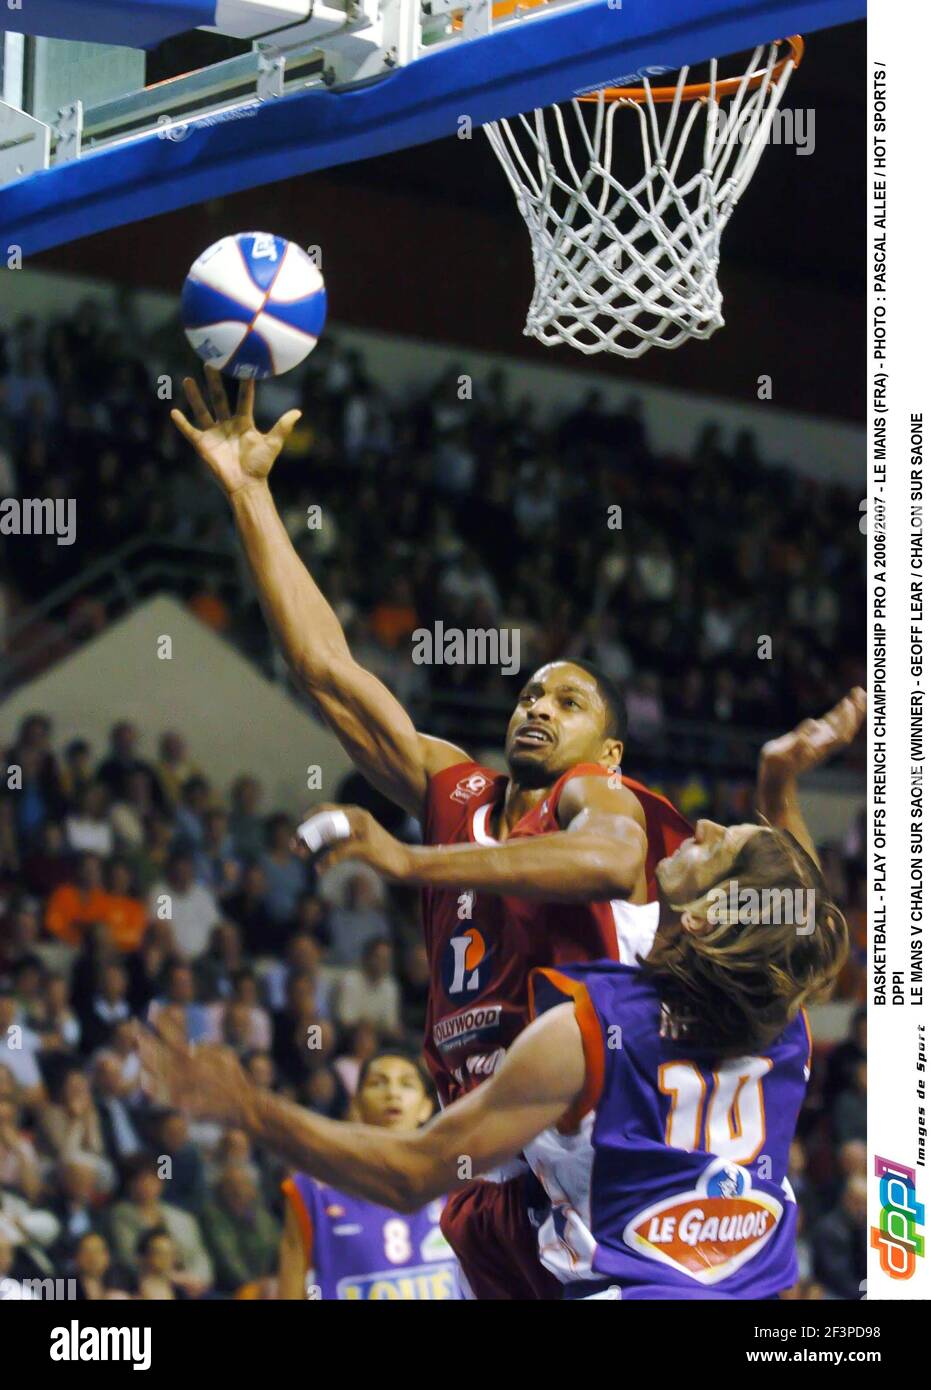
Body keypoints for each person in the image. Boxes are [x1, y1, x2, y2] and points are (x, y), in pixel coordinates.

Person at [170, 370, 693, 1297]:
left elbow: (614, 860)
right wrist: (250, 496)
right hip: (482, 1171)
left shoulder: (599, 801)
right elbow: (325, 669)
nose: (537, 706)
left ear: (606, 751)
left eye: (568, 702)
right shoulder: (456, 788)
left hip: (590, 1156)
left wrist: (412, 859)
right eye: (530, 692)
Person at [141, 689, 864, 1300]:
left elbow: (412, 1174)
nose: (698, 824)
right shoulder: (785, 1019)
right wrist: (776, 785)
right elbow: (801, 920)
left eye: (717, 846)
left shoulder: (592, 1027)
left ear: (706, 917)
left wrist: (248, 1108)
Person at [278, 1052, 459, 1300]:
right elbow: (290, 1285)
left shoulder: (456, 1178)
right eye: (378, 1083)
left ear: (426, 1107)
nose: (392, 1093)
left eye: (406, 1084)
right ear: (356, 1105)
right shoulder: (312, 1187)